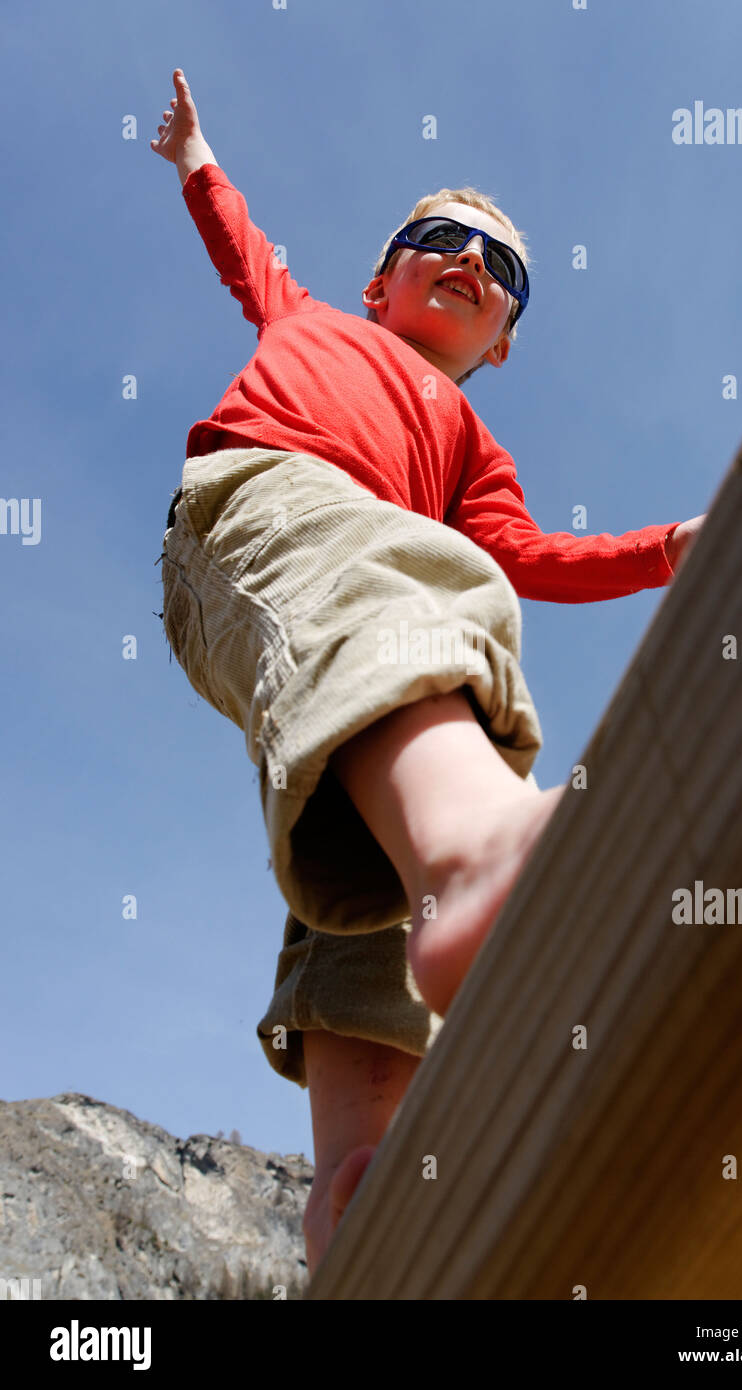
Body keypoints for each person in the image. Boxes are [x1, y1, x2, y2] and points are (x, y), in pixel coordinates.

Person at [151, 68, 704, 1277]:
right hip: (252, 528)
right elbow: (241, 244)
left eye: (497, 268)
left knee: (356, 874)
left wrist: (664, 551)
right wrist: (197, 159)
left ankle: (366, 1185)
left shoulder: (470, 442)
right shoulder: (312, 323)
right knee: (414, 598)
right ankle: (483, 851)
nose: (467, 260)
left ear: (500, 344)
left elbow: (529, 553)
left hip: (337, 656)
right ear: (378, 282)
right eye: (438, 240)